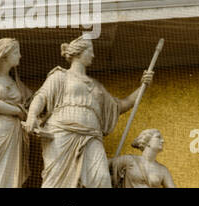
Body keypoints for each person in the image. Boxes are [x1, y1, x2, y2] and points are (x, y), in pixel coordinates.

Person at [23, 35, 153, 188]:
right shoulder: (60, 76)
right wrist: (31, 115)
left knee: (102, 178)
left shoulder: (96, 86)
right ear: (79, 52)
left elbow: (122, 105)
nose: (93, 55)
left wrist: (143, 87)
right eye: (90, 51)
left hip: (91, 135)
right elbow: (41, 97)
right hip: (62, 133)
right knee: (57, 179)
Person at [0, 38, 31, 188]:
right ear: (4, 55)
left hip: (14, 132)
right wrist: (17, 110)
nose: (20, 56)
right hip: (0, 130)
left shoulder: (16, 82)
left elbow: (32, 99)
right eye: (16, 52)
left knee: (11, 174)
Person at [110, 128, 176, 188]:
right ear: (148, 142)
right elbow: (103, 167)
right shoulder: (129, 160)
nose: (162, 141)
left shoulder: (163, 170)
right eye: (158, 137)